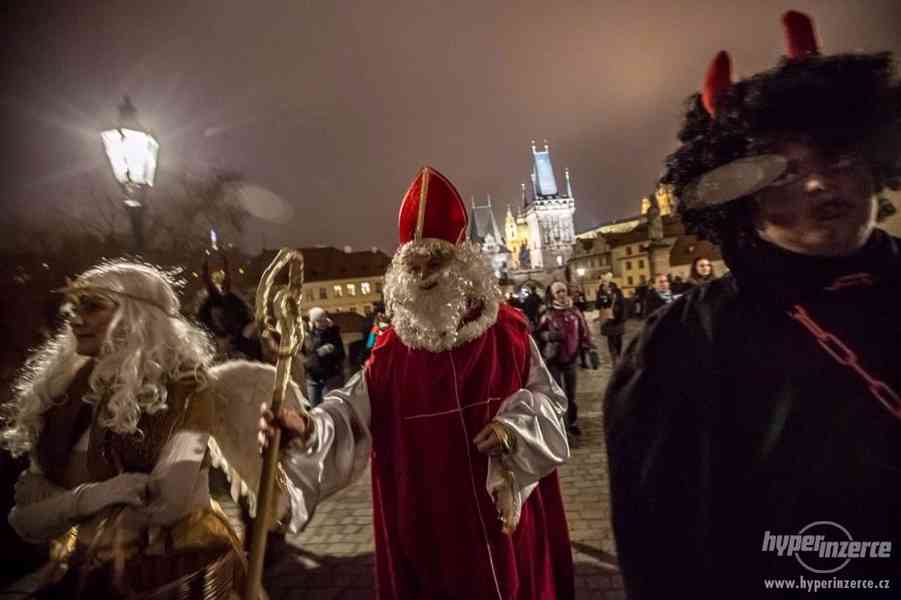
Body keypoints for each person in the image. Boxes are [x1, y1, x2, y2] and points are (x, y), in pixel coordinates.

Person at [605, 11, 901, 599]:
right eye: (784, 172)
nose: (819, 185)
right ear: (743, 196)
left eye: (836, 158)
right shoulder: (680, 344)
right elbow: (658, 544)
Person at [259, 166, 574, 599]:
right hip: (426, 534)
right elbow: (350, 413)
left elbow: (550, 401)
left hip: (500, 525)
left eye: (437, 260)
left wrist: (514, 429)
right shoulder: (390, 353)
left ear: (462, 261)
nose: (425, 274)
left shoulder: (506, 334)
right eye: (414, 262)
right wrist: (309, 427)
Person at [2, 261, 243, 599]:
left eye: (93, 305)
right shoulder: (61, 392)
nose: (74, 317)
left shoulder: (188, 386)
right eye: (74, 306)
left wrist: (63, 506)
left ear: (138, 314)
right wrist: (101, 495)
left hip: (179, 570)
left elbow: (166, 502)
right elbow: (25, 519)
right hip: (90, 573)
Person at [537, 281, 592, 436]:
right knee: (558, 394)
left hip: (572, 358)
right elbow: (538, 334)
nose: (561, 294)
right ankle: (560, 424)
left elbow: (584, 331)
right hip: (554, 359)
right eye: (558, 292)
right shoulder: (547, 313)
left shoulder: (575, 311)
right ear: (553, 295)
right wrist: (549, 335)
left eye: (563, 291)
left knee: (571, 395)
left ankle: (573, 422)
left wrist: (586, 349)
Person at [196, 251, 263, 361]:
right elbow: (203, 326)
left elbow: (248, 321)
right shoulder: (206, 306)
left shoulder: (233, 300)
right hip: (220, 343)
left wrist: (240, 337)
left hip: (240, 339)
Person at [301, 307, 346, 406]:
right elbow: (304, 358)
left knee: (331, 407)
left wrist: (332, 350)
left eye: (324, 319)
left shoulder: (333, 334)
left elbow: (342, 354)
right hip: (313, 379)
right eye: (319, 320)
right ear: (313, 322)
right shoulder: (307, 336)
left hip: (331, 377)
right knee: (315, 409)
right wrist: (318, 353)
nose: (323, 322)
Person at [596, 280, 626, 365]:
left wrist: (623, 317)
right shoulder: (601, 293)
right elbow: (597, 306)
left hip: (618, 319)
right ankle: (614, 359)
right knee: (611, 340)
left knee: (619, 340)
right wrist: (602, 297)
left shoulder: (618, 292)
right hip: (607, 320)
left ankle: (619, 355)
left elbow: (623, 305)